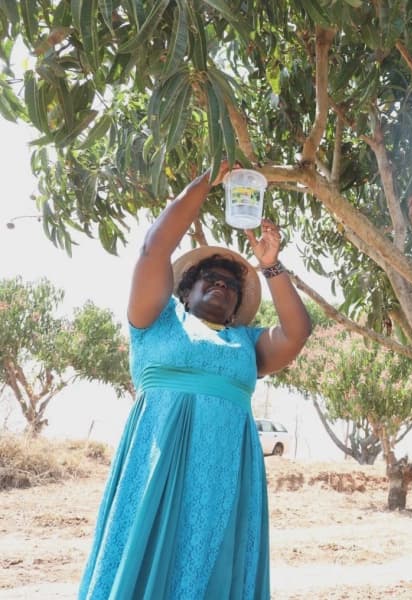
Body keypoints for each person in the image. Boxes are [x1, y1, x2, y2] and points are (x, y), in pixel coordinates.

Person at [79, 162, 312, 599]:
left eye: (231, 285)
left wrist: (272, 266)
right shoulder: (156, 321)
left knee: (213, 566)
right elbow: (153, 249)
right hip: (157, 470)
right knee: (147, 559)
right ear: (185, 291)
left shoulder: (246, 343)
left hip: (227, 474)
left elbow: (297, 333)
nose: (222, 285)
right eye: (211, 278)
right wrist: (208, 180)